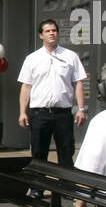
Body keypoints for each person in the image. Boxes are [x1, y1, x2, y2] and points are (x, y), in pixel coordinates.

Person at [18, 18, 87, 169]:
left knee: (66, 152)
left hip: (63, 114)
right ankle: (37, 189)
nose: (51, 34)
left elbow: (78, 83)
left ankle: (66, 188)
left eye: (54, 31)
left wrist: (81, 109)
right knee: (38, 153)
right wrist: (23, 112)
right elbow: (26, 87)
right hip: (39, 114)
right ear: (41, 35)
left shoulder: (70, 56)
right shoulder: (32, 59)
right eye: (47, 31)